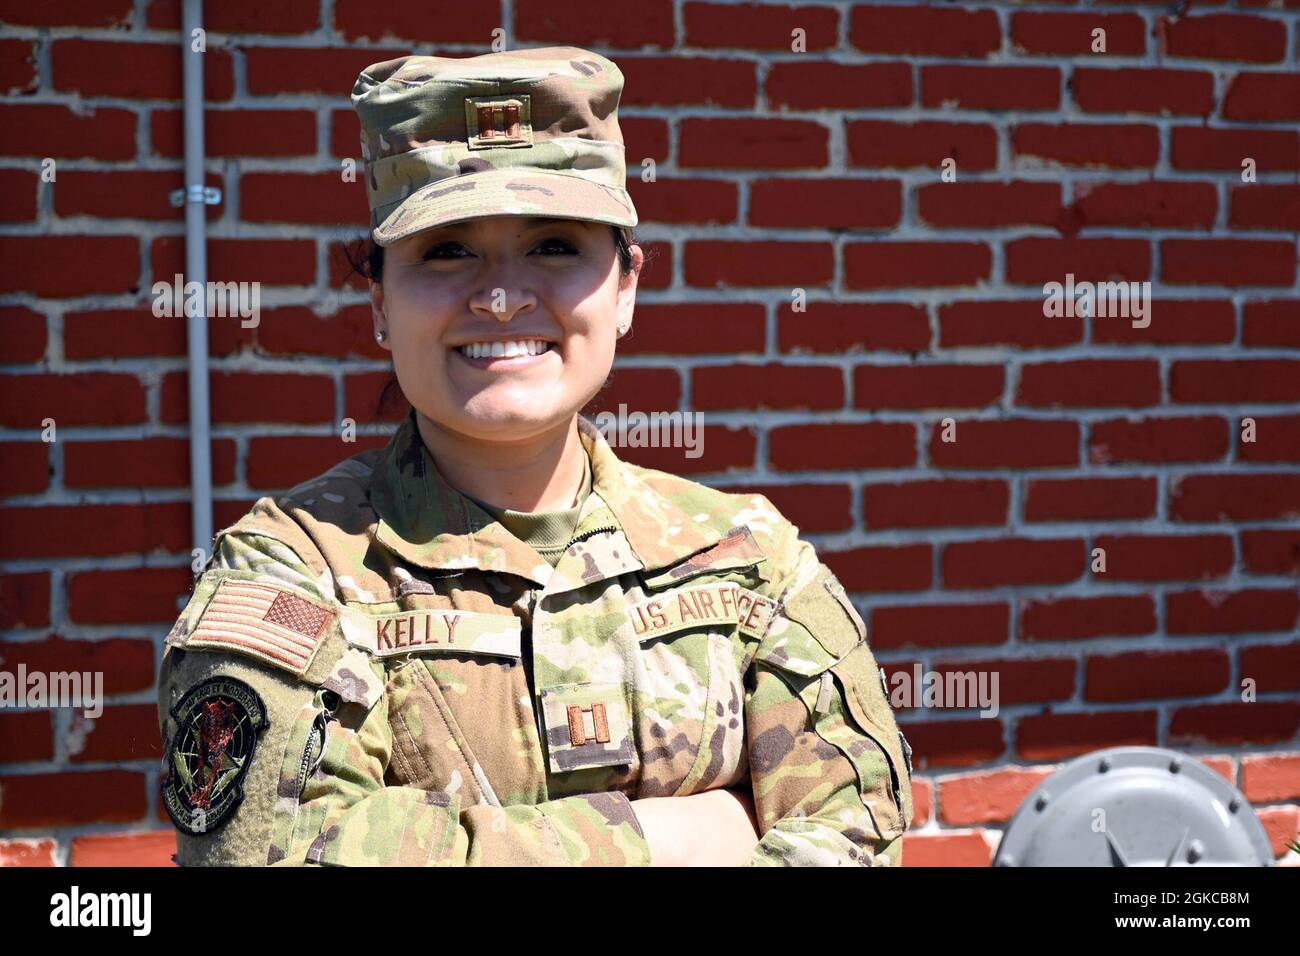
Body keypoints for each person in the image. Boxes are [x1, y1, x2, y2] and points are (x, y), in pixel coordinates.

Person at [156, 45, 913, 866]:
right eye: (447, 249)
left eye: (553, 245)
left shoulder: (747, 562)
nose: (502, 295)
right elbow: (273, 855)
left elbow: (859, 839)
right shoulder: (287, 574)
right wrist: (670, 840)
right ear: (379, 303)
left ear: (625, 287)